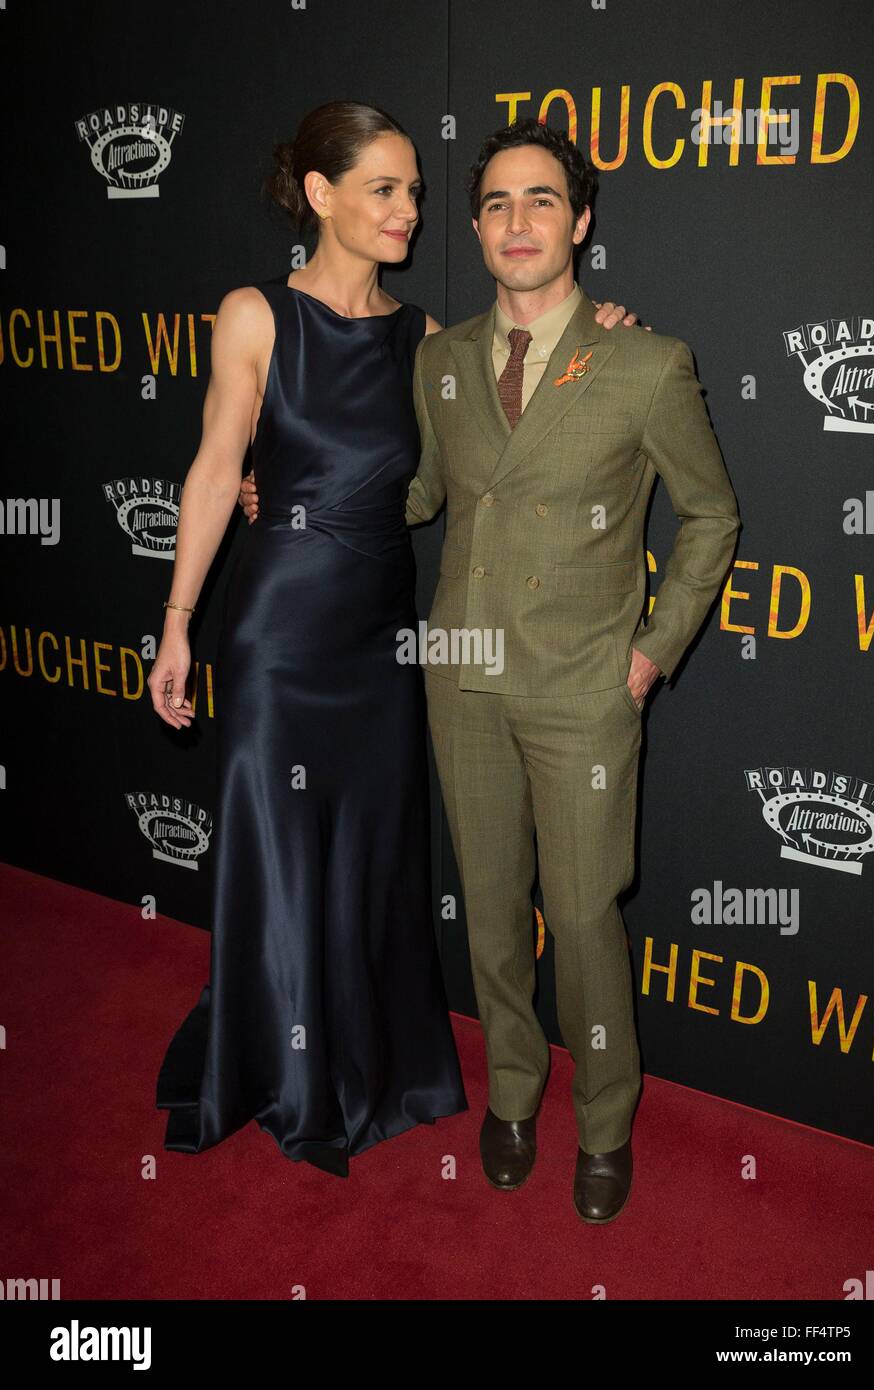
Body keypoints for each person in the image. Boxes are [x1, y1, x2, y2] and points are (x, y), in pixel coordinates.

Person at [243, 115, 740, 1222]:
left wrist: (650, 653)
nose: (519, 222)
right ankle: (512, 1095)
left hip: (583, 692)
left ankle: (604, 1121)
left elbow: (711, 516)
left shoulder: (644, 362)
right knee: (492, 913)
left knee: (587, 920)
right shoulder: (440, 358)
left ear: (581, 222)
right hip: (461, 679)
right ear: (472, 228)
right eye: (497, 204)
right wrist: (297, 492)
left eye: (542, 200)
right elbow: (418, 492)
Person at [149, 101, 640, 1179]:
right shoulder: (255, 315)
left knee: (371, 856)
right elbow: (215, 467)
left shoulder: (424, 341)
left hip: (382, 644)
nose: (408, 209)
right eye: (384, 189)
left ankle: (371, 1062)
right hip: (280, 636)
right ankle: (284, 1072)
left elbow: (486, 441)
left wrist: (599, 338)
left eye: (415, 190)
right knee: (283, 848)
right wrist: (177, 621)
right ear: (319, 194)